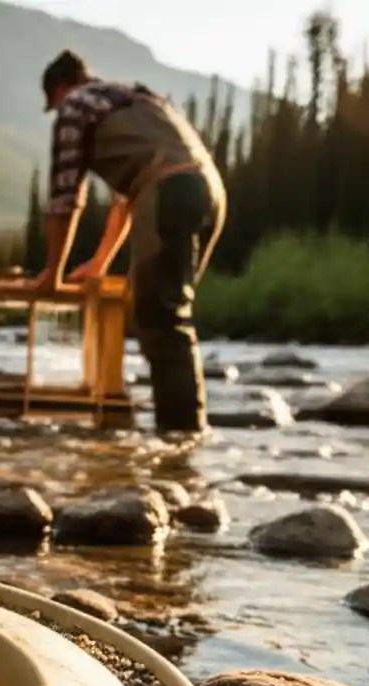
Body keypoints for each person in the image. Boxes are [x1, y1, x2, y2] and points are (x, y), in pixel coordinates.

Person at [32, 50, 227, 435]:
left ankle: (180, 440)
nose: (57, 112)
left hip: (169, 193)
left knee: (162, 322)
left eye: (52, 104)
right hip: (210, 192)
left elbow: (65, 198)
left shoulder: (75, 106)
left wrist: (53, 274)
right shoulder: (135, 97)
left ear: (60, 88)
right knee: (170, 315)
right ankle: (185, 434)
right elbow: (124, 205)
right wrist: (99, 263)